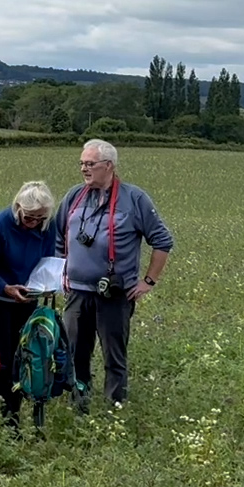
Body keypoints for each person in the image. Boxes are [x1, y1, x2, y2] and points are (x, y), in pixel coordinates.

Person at [56, 140, 174, 408]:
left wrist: (148, 281)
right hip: (76, 292)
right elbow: (58, 236)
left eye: (90, 164)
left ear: (108, 166)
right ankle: (79, 405)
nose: (84, 169)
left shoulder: (134, 199)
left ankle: (114, 409)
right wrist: (61, 271)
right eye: (82, 164)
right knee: (76, 355)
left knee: (114, 357)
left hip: (113, 294)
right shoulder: (74, 196)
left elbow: (162, 241)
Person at [0, 181, 60, 428]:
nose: (34, 222)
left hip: (27, 299)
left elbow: (48, 260)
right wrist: (6, 287)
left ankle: (12, 419)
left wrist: (48, 285)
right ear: (18, 207)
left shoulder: (48, 226)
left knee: (23, 358)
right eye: (29, 217)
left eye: (40, 218)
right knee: (0, 361)